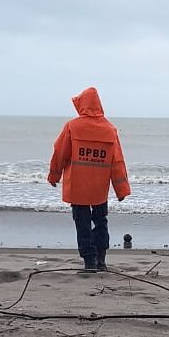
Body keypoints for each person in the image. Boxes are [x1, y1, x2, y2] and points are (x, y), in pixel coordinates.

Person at [48, 87, 130, 271]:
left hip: (77, 187)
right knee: (101, 221)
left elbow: (60, 153)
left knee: (82, 223)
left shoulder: (72, 126)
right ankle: (101, 259)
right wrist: (122, 189)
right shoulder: (110, 130)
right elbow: (117, 162)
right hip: (99, 189)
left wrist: (54, 175)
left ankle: (89, 260)